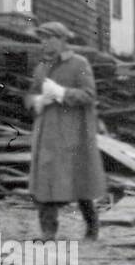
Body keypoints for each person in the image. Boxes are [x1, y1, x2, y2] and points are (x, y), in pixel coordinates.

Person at [25, 22, 106, 241]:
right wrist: (38, 101)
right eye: (41, 38)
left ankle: (92, 227)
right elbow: (30, 96)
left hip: (73, 133)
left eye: (48, 38)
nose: (44, 43)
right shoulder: (41, 67)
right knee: (45, 182)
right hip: (47, 133)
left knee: (80, 181)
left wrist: (62, 93)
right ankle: (48, 232)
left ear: (62, 40)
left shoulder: (79, 63)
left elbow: (89, 95)